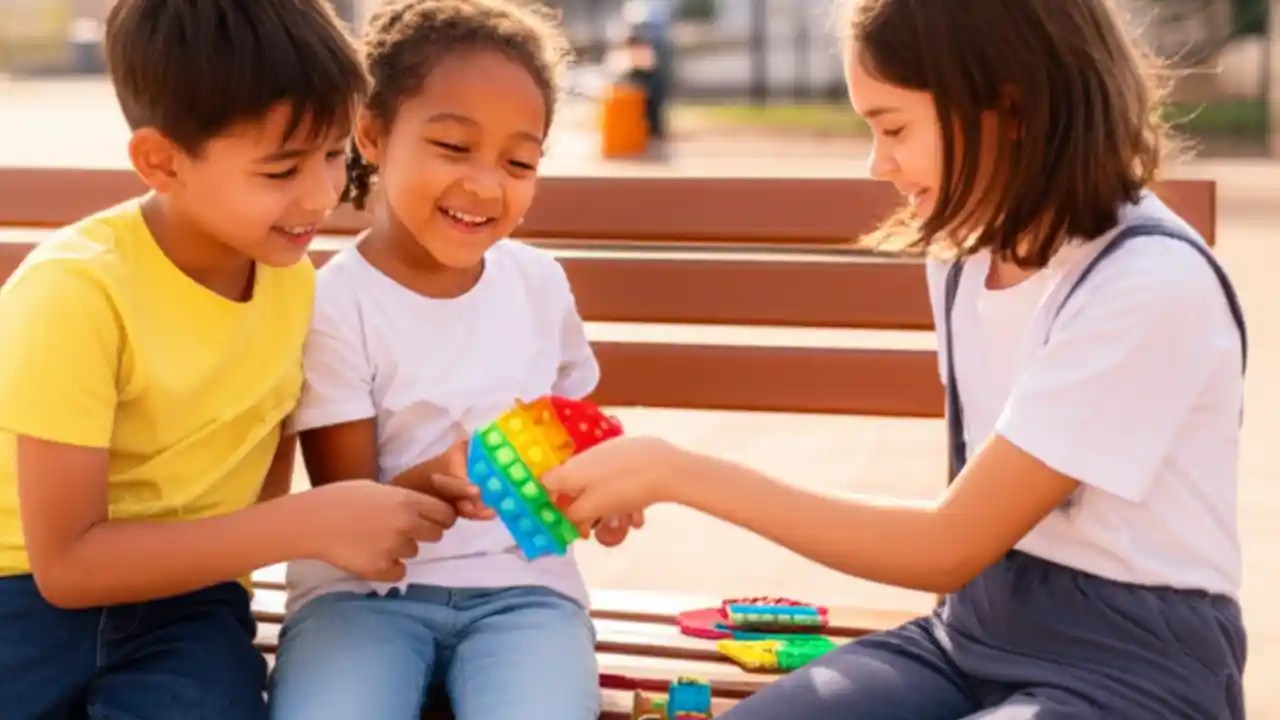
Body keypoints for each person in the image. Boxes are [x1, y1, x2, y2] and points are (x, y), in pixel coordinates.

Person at [542, 0, 1249, 717]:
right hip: (969, 638)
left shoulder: (1147, 284)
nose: (878, 163)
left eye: (893, 127)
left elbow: (949, 546)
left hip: (1132, 674)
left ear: (1010, 107)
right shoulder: (963, 257)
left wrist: (676, 471)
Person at [0, 2, 462, 718]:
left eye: (336, 154)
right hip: (21, 595)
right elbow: (66, 567)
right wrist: (307, 524)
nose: (320, 196)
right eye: (281, 169)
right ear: (161, 162)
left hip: (191, 609)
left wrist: (426, 484)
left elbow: (259, 503)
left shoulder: (292, 280)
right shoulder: (76, 291)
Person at [267, 2, 640, 719]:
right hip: (362, 597)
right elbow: (350, 511)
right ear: (371, 135)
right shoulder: (334, 303)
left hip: (526, 591)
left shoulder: (538, 284)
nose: (485, 185)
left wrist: (603, 495)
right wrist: (441, 476)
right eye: (452, 147)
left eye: (519, 161)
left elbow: (577, 438)